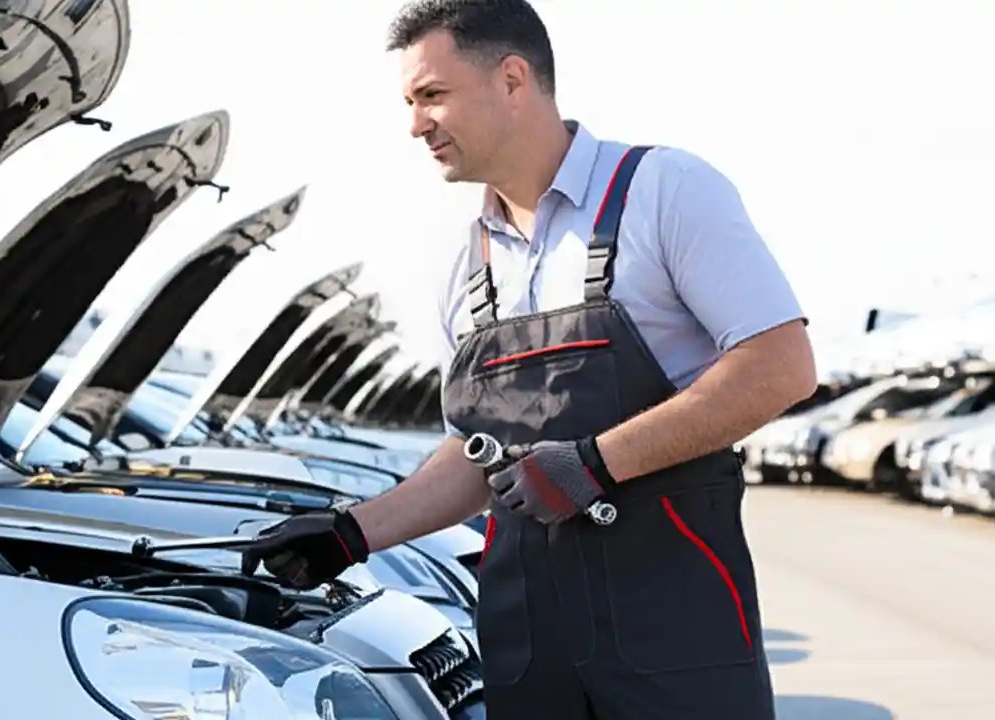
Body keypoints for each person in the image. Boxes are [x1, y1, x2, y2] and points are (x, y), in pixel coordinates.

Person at [249, 1, 817, 717]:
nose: (416, 123)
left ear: (512, 79)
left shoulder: (663, 192)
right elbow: (478, 454)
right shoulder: (466, 263)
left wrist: (595, 464)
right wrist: (352, 533)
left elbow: (780, 365)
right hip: (529, 645)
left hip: (670, 630)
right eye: (410, 102)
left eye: (432, 95)